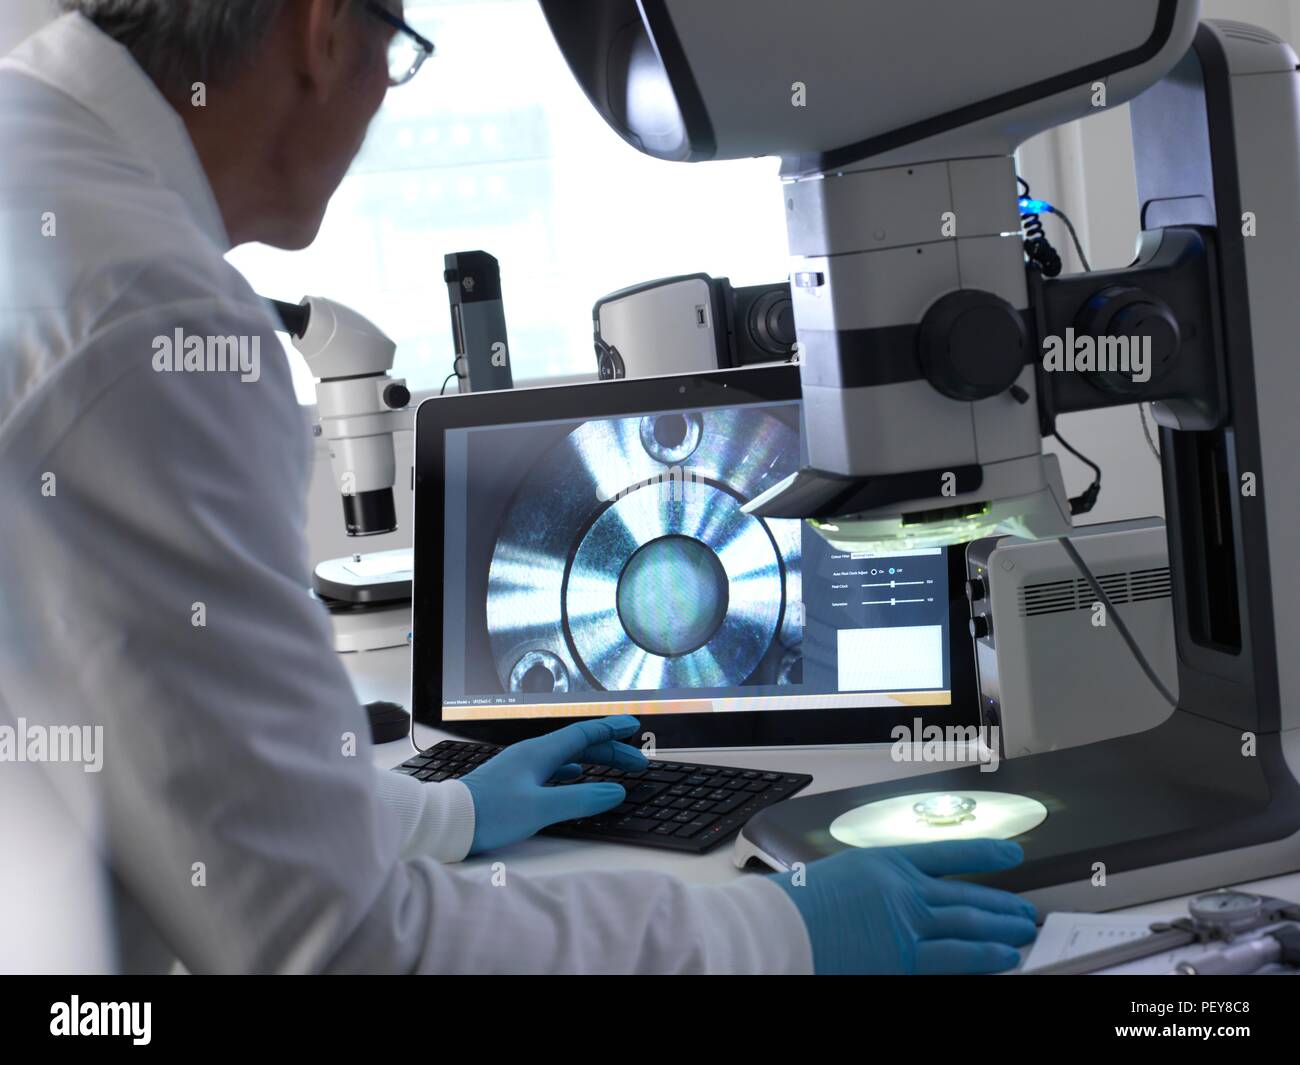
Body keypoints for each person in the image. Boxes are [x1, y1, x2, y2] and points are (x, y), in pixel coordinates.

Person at [0, 0, 1037, 974]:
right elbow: (340, 946)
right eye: (400, 53)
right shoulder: (143, 315)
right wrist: (777, 939)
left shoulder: (37, 172)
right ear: (322, 31)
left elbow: (183, 775)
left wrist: (441, 815)